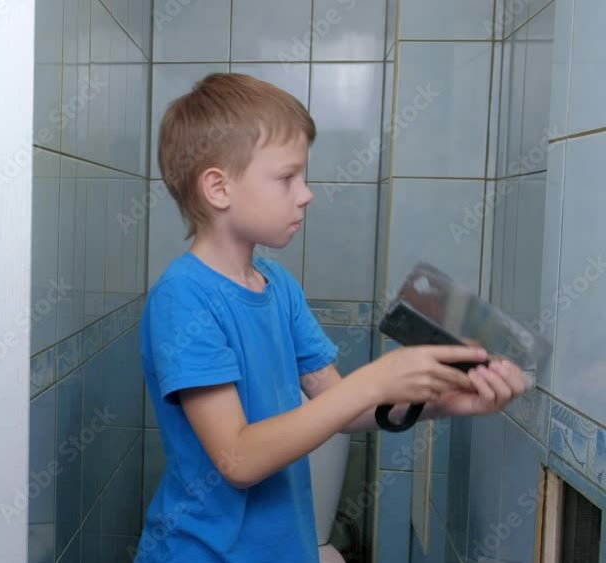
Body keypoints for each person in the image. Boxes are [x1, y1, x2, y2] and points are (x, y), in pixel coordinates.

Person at [134, 73, 531, 562]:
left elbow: (340, 406)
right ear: (218, 187)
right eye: (286, 177)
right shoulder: (183, 298)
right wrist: (374, 381)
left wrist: (446, 401)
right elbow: (237, 458)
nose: (306, 193)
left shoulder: (278, 287)